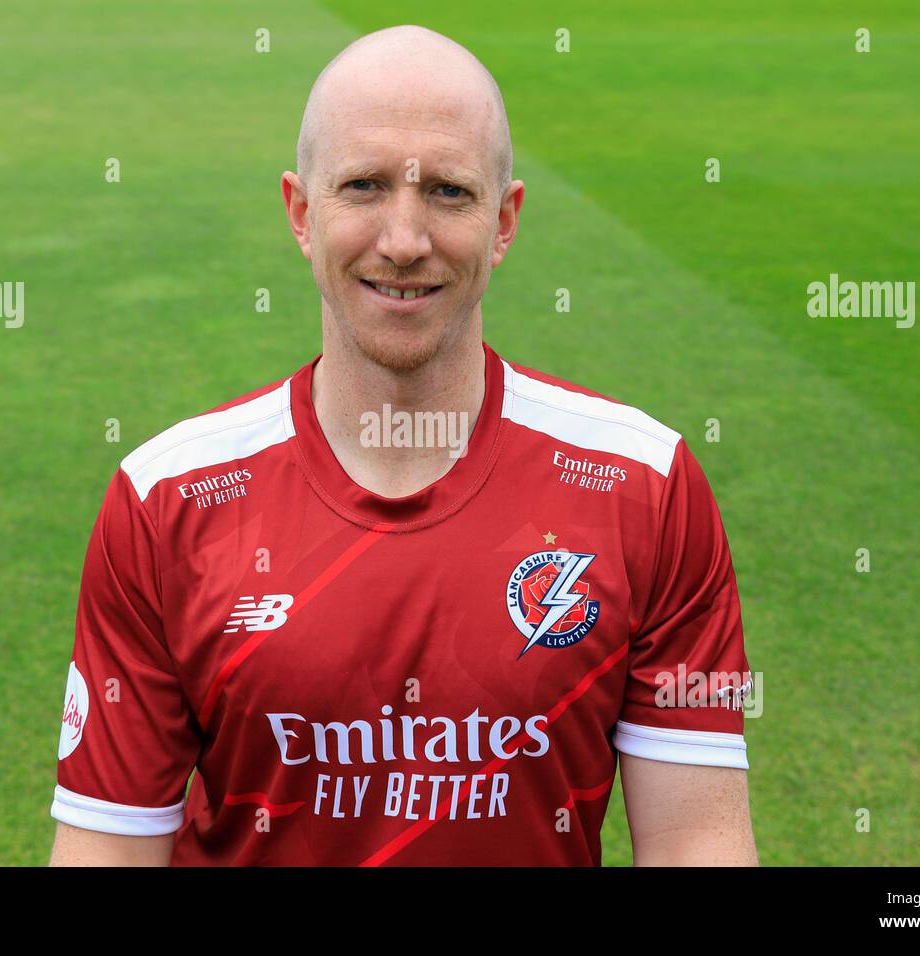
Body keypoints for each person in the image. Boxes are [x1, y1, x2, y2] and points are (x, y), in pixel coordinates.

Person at [48, 25, 757, 866]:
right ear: (302, 214)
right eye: (365, 186)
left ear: (505, 221)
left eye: (450, 193)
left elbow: (698, 846)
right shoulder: (166, 502)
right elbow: (107, 851)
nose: (404, 241)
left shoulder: (645, 487)